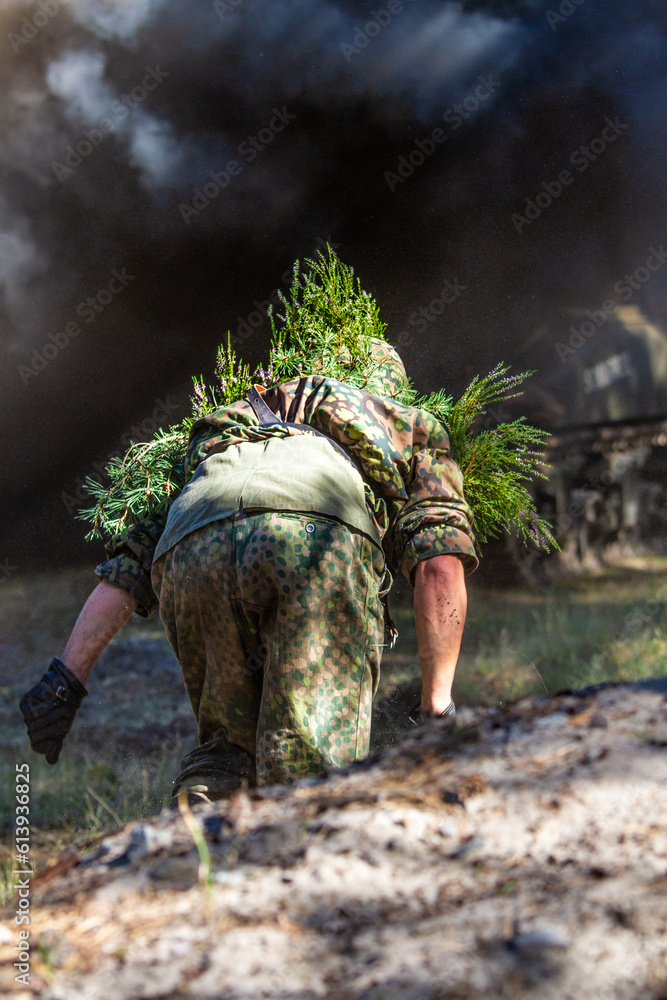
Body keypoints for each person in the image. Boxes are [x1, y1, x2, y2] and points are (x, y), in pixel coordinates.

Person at [19, 340, 477, 803]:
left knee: (224, 759)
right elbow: (438, 565)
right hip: (312, 544)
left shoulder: (232, 418)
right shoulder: (404, 423)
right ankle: (295, 858)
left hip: (194, 540)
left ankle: (202, 847)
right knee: (309, 772)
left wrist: (65, 680)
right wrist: (437, 709)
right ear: (386, 386)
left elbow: (129, 567)